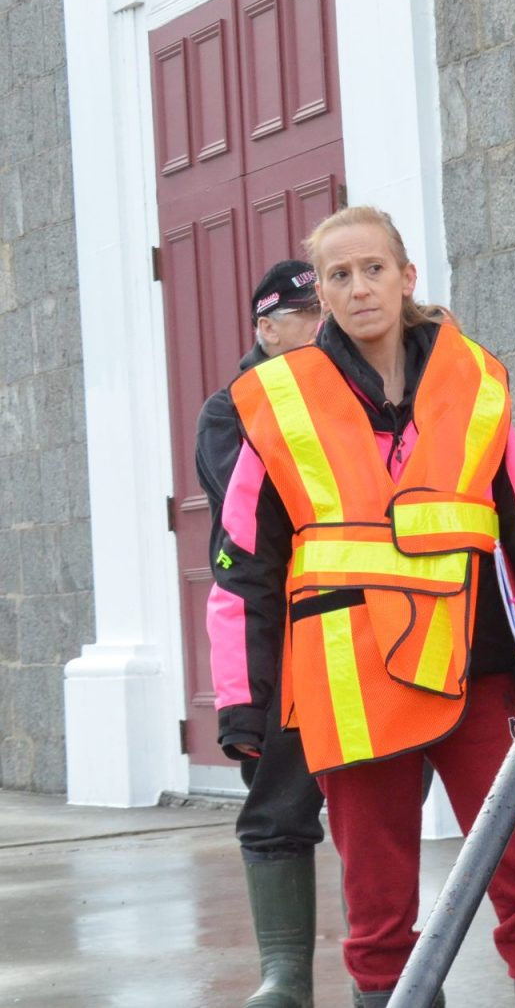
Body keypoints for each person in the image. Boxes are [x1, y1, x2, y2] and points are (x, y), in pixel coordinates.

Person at [207, 206, 515, 1008]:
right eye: (338, 275)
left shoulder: (478, 377)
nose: (358, 287)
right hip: (349, 683)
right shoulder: (276, 400)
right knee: (379, 916)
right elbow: (244, 560)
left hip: (481, 672)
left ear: (407, 277)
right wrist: (245, 701)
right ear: (324, 292)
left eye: (373, 268)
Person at [195, 260, 326, 1008]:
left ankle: (401, 978)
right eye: (302, 315)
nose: (319, 326)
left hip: (363, 625)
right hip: (273, 637)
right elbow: (264, 510)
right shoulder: (231, 411)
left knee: (382, 813)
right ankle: (286, 976)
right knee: (277, 806)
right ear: (265, 330)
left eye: (322, 312)